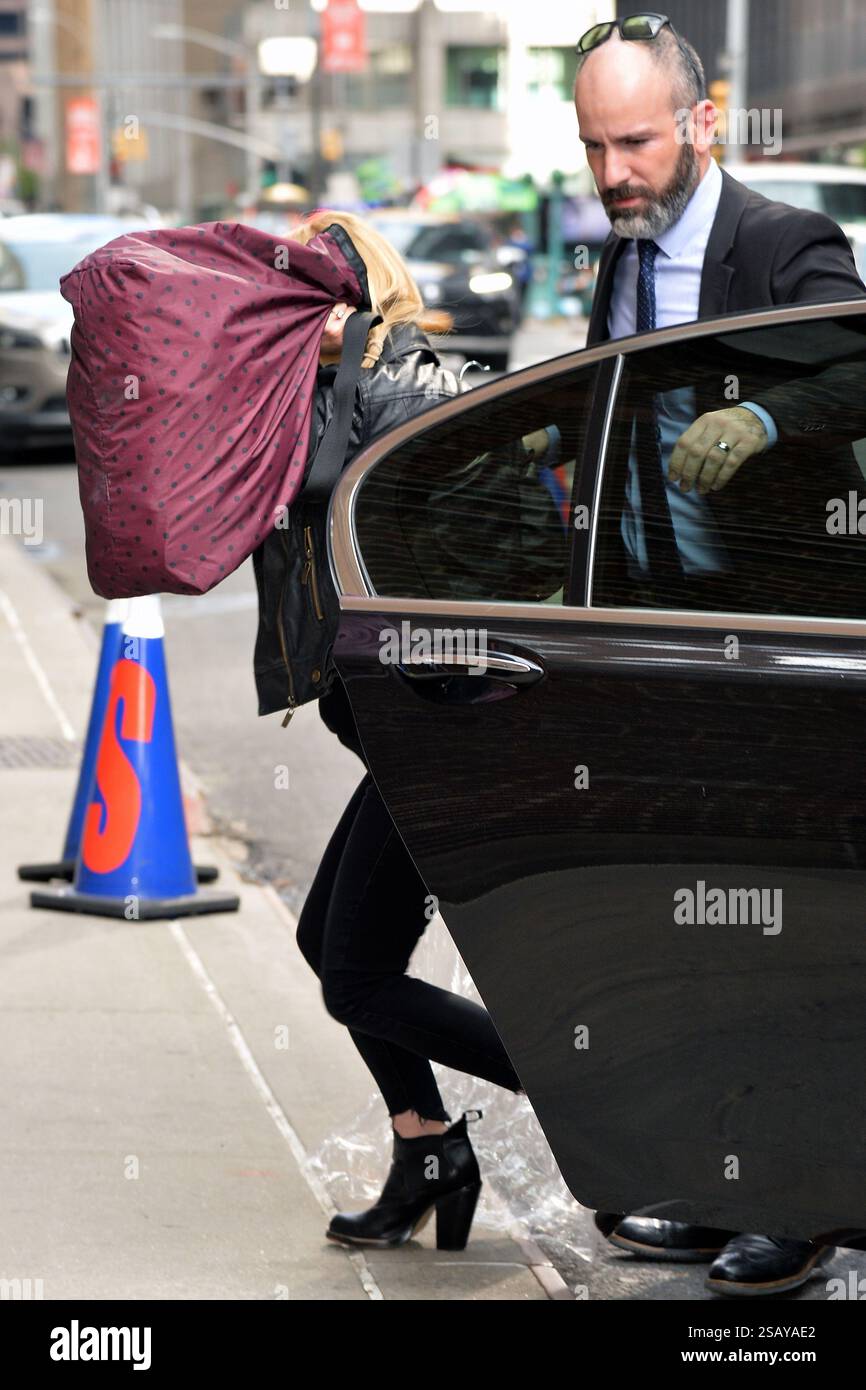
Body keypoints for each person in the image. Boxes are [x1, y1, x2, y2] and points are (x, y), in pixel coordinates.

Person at [573, 13, 866, 1296]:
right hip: (658, 643)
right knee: (689, 932)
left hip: (772, 644)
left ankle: (801, 1210)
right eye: (590, 147)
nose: (610, 172)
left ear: (701, 121)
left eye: (631, 141)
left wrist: (762, 413)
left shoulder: (777, 239)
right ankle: (715, 1178)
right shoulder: (619, 257)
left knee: (783, 938)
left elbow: (853, 365)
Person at [251, 210, 534, 1252]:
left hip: (441, 732)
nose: (294, 296)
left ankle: (573, 1080)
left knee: (354, 970)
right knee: (325, 943)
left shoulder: (405, 377)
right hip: (395, 731)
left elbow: (460, 547)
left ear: (363, 284)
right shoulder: (315, 389)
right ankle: (427, 1148)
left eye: (315, 276)